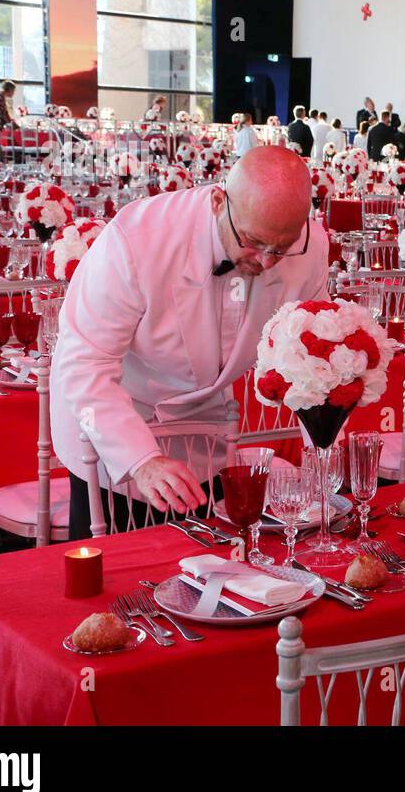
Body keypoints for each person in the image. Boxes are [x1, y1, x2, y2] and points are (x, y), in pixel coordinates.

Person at [51, 147, 329, 539]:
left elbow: (310, 355)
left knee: (203, 571)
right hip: (113, 428)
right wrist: (140, 459)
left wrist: (322, 457)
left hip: (206, 431)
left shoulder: (310, 246)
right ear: (219, 202)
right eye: (252, 241)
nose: (266, 262)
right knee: (120, 583)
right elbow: (83, 365)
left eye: (281, 248)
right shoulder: (138, 240)